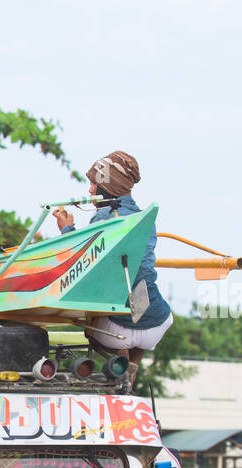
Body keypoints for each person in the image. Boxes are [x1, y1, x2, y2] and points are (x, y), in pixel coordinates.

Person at [53, 151, 172, 384]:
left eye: (93, 184)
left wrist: (67, 229)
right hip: (159, 321)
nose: (89, 191)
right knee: (141, 294)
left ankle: (122, 360)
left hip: (117, 329)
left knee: (88, 321)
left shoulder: (105, 217)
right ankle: (132, 368)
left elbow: (81, 260)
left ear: (106, 185)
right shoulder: (144, 217)